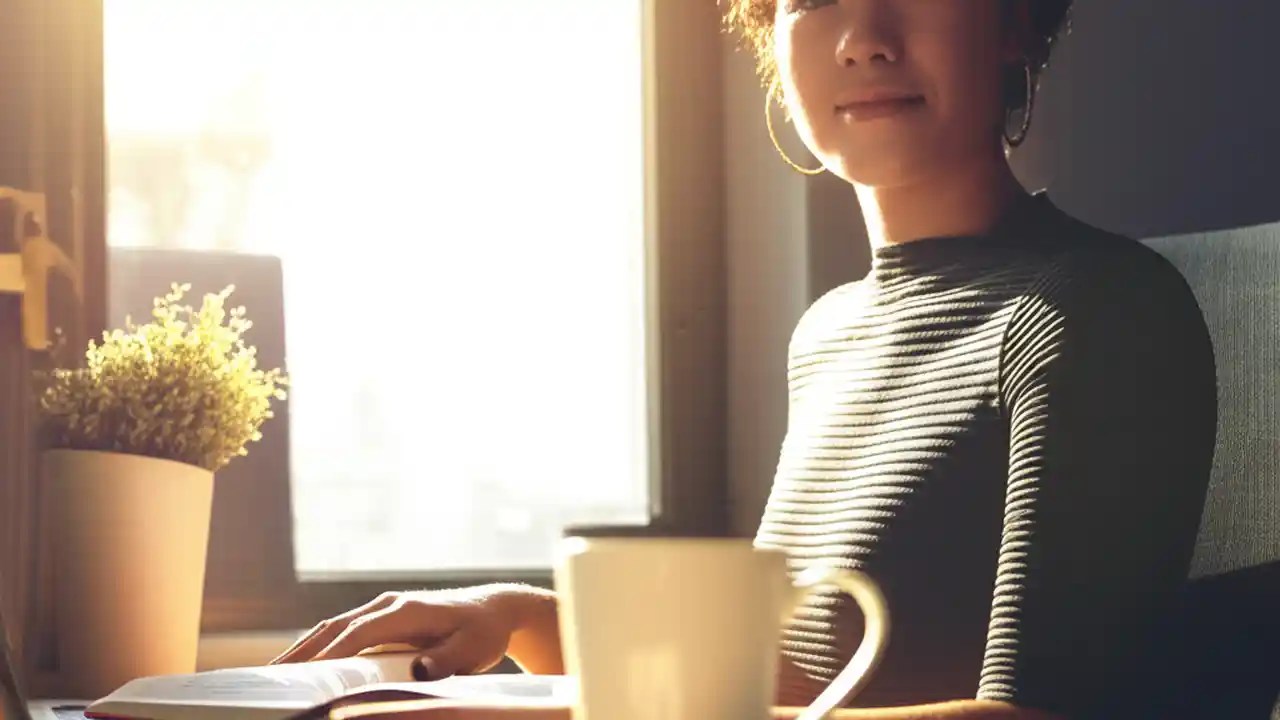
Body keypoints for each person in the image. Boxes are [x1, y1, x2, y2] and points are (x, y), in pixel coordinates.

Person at [272, 2, 1218, 718]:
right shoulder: (830, 334)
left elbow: (1037, 719)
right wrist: (518, 613)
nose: (864, 35)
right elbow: (787, 684)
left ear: (1012, 22)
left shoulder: (1090, 309)